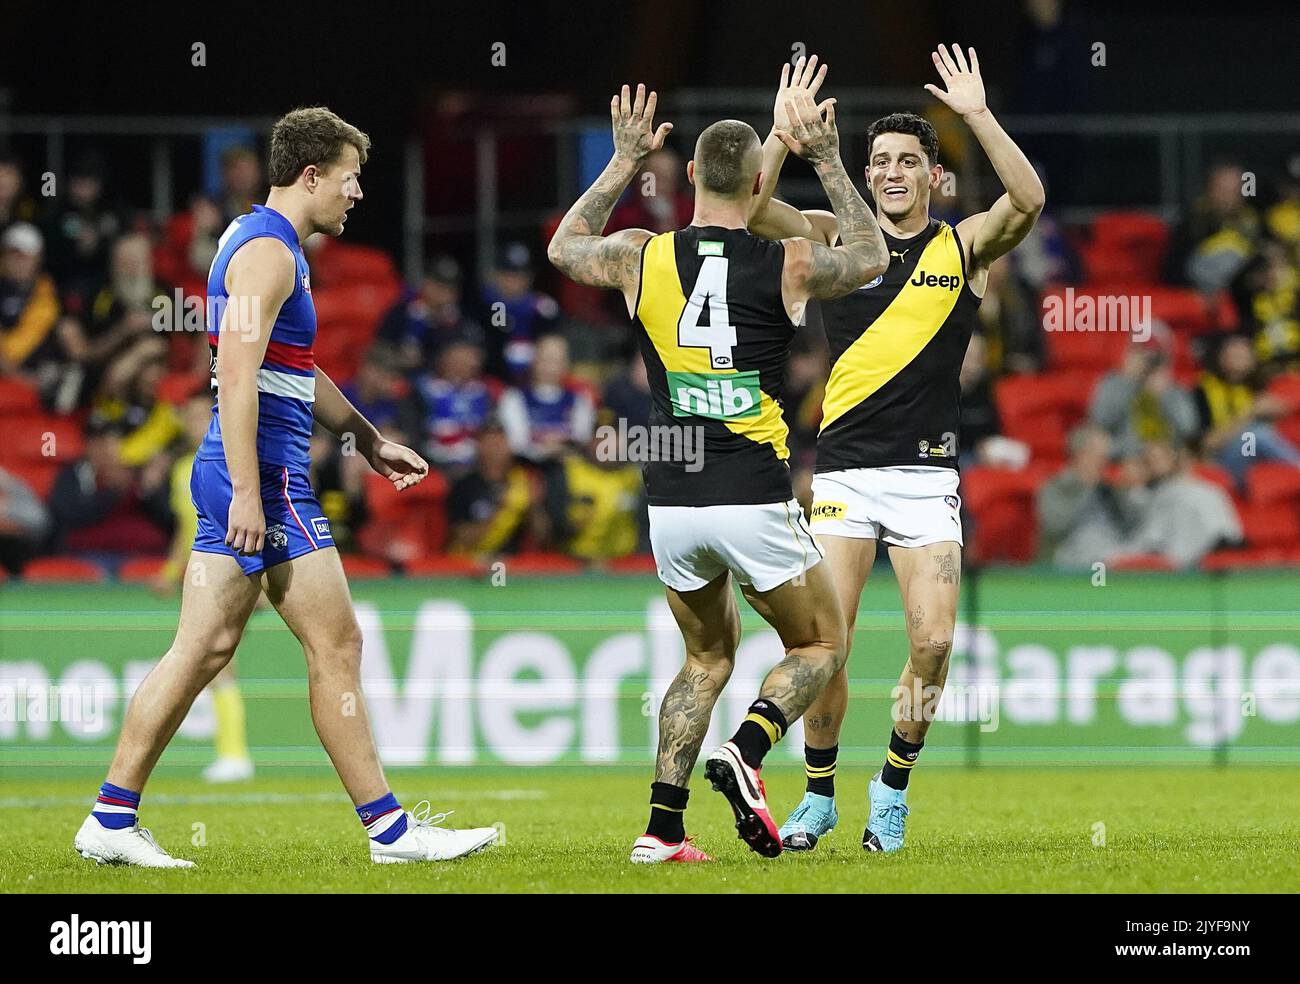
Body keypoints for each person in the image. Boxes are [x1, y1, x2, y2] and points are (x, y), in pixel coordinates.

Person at [74, 107, 499, 869]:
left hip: (245, 471)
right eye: (350, 178)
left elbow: (291, 366)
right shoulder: (270, 254)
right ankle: (391, 832)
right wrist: (249, 490)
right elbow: (236, 375)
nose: (357, 193)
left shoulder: (260, 242)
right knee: (337, 642)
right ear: (311, 175)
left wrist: (367, 439)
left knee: (203, 649)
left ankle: (110, 816)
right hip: (265, 478)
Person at [548, 75, 887, 862]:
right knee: (822, 644)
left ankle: (662, 829)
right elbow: (870, 257)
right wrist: (827, 159)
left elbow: (565, 246)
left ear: (693, 174)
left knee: (705, 658)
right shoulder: (789, 262)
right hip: (752, 490)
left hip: (672, 499)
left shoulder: (641, 256)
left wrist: (625, 160)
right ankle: (748, 748)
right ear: (760, 181)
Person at [748, 48, 1045, 852]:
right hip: (844, 474)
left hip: (925, 476)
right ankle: (818, 795)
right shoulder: (834, 239)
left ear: (934, 176)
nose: (890, 172)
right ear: (865, 174)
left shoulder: (964, 247)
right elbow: (747, 210)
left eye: (908, 160)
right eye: (879, 160)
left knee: (934, 644)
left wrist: (978, 115)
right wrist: (779, 135)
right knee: (826, 646)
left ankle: (892, 789)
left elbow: (1028, 199)